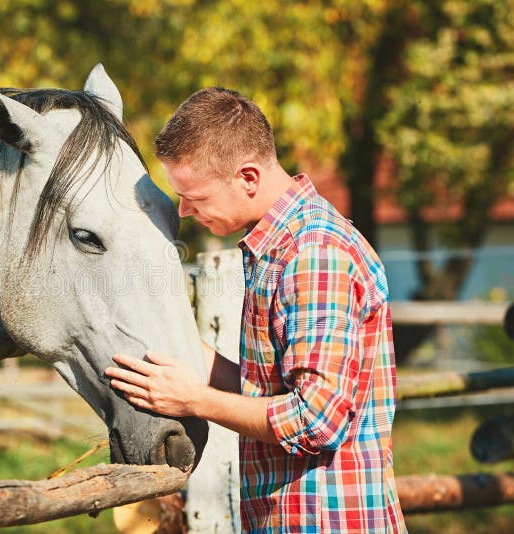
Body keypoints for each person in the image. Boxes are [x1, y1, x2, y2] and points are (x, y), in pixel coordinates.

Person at [105, 87, 406, 533]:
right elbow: (269, 389)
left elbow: (315, 420)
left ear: (247, 177)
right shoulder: (281, 248)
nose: (184, 210)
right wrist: (190, 354)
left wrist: (193, 399)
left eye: (194, 196)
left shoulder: (313, 253)